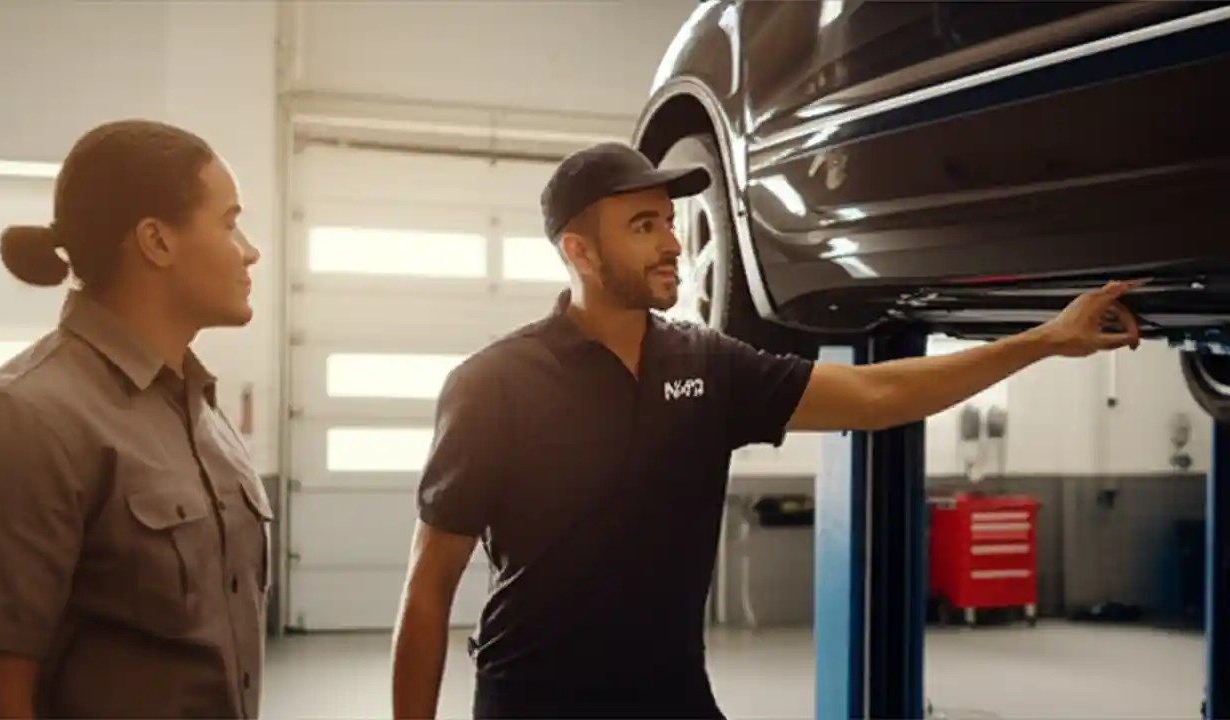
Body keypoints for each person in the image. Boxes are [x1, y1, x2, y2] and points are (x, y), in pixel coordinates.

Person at [389, 142, 1143, 719]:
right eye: (644, 225)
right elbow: (429, 588)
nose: (674, 244)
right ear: (577, 251)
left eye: (672, 223)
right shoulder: (492, 384)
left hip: (673, 697)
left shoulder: (707, 364)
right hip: (536, 703)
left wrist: (1042, 341)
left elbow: (878, 393)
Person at [0, 119, 272, 718]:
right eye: (229, 223)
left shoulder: (198, 409)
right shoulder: (24, 421)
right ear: (156, 241)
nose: (250, 250)